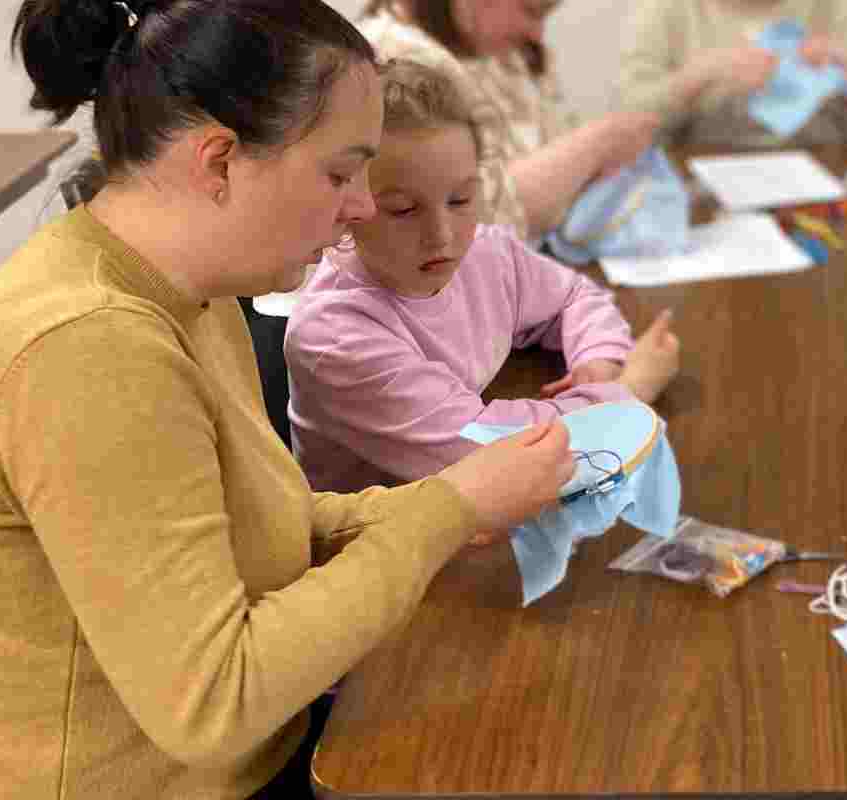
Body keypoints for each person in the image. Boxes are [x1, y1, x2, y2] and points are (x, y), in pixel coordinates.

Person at [0, 1, 574, 796]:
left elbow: (257, 522)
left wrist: (446, 505)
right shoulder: (90, 350)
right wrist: (444, 512)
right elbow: (216, 702)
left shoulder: (188, 289)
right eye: (340, 173)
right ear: (218, 162)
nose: (358, 208)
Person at [285, 58, 681, 494]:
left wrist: (598, 360)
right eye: (402, 209)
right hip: (385, 542)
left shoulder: (486, 252)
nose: (442, 235)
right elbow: (487, 449)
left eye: (460, 200)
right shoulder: (333, 336)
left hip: (474, 515)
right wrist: (632, 389)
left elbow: (573, 296)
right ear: (351, 203)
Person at [357, 0, 660, 240]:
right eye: (531, 9)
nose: (538, 33)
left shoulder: (506, 52)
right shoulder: (396, 63)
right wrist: (600, 142)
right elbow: (478, 220)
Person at [615, 0, 847, 148]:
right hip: (698, 186)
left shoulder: (833, 8)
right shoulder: (668, 8)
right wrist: (695, 79)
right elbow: (625, 123)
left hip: (821, 179)